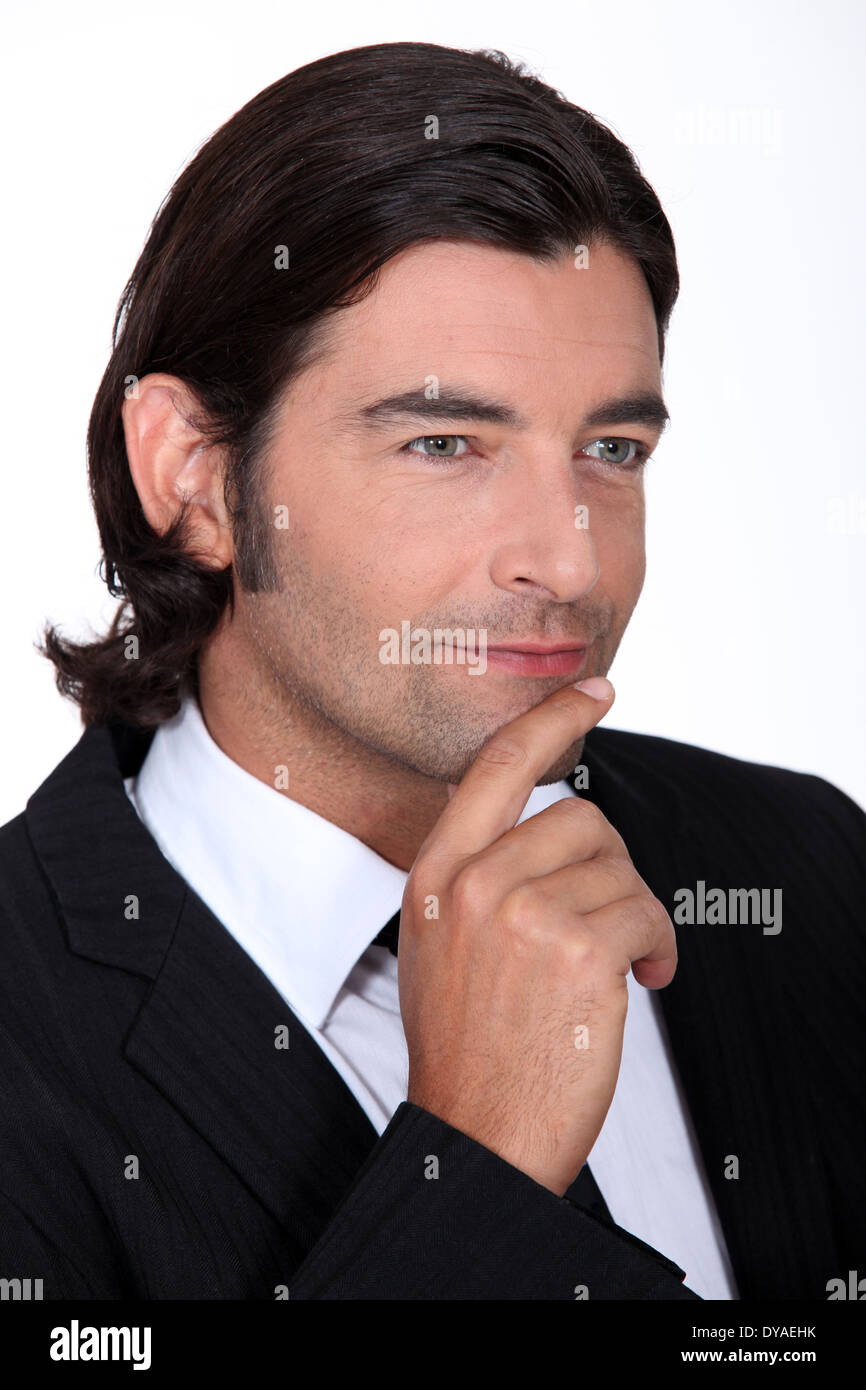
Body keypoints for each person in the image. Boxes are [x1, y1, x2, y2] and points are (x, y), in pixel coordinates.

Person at [1, 41, 863, 1302]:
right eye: (445, 441)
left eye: (610, 449)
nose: (563, 560)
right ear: (190, 473)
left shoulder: (804, 865)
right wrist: (481, 1167)